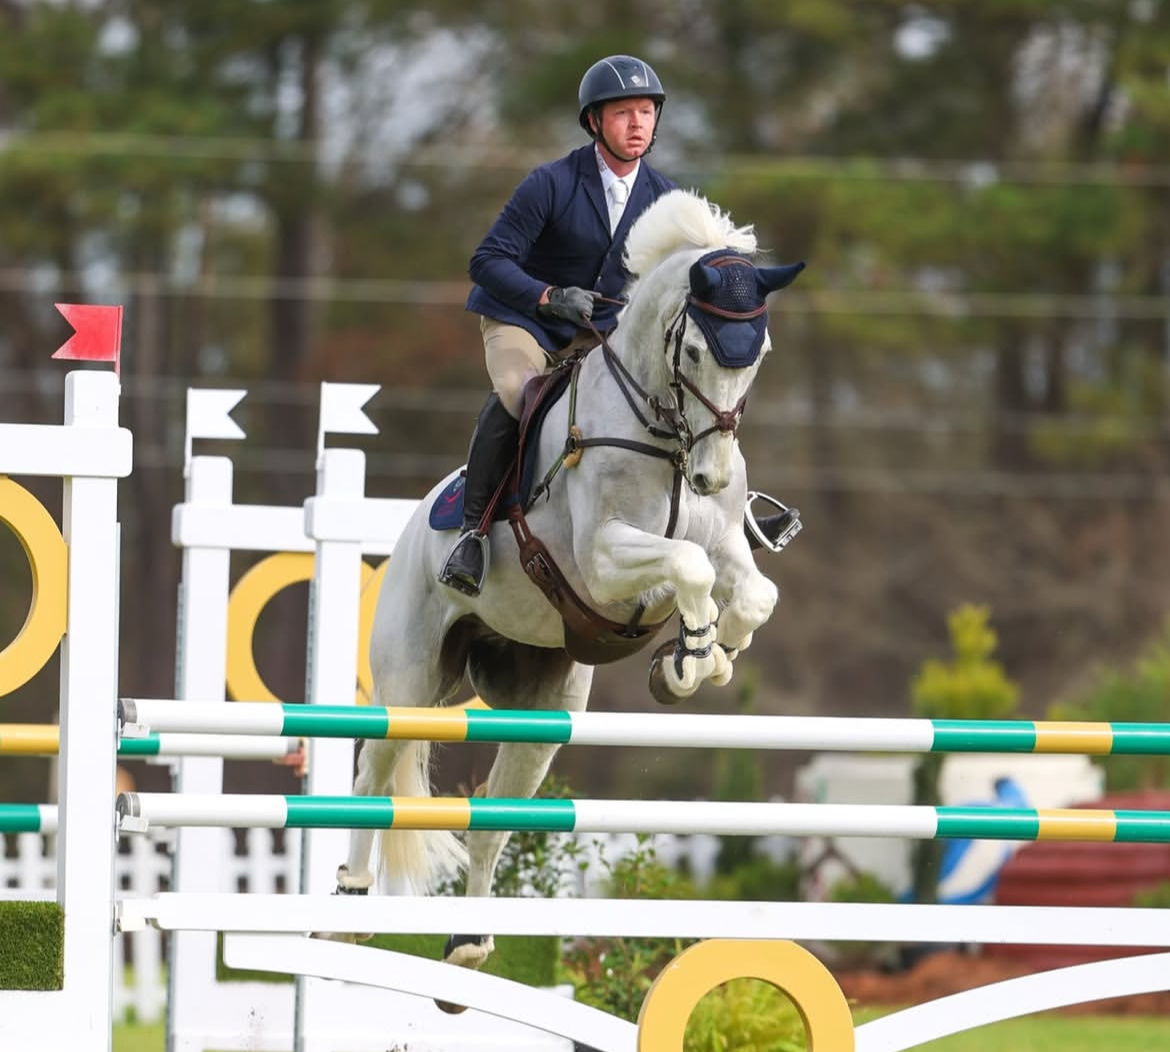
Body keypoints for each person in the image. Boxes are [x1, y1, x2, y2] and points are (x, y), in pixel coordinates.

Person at [440, 54, 799, 598]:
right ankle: (474, 530)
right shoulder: (551, 184)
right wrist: (549, 295)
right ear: (594, 122)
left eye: (646, 113)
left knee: (685, 387)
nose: (637, 124)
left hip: (601, 328)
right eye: (623, 113)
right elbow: (486, 261)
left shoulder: (667, 198)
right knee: (520, 392)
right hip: (525, 318)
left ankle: (731, 517)